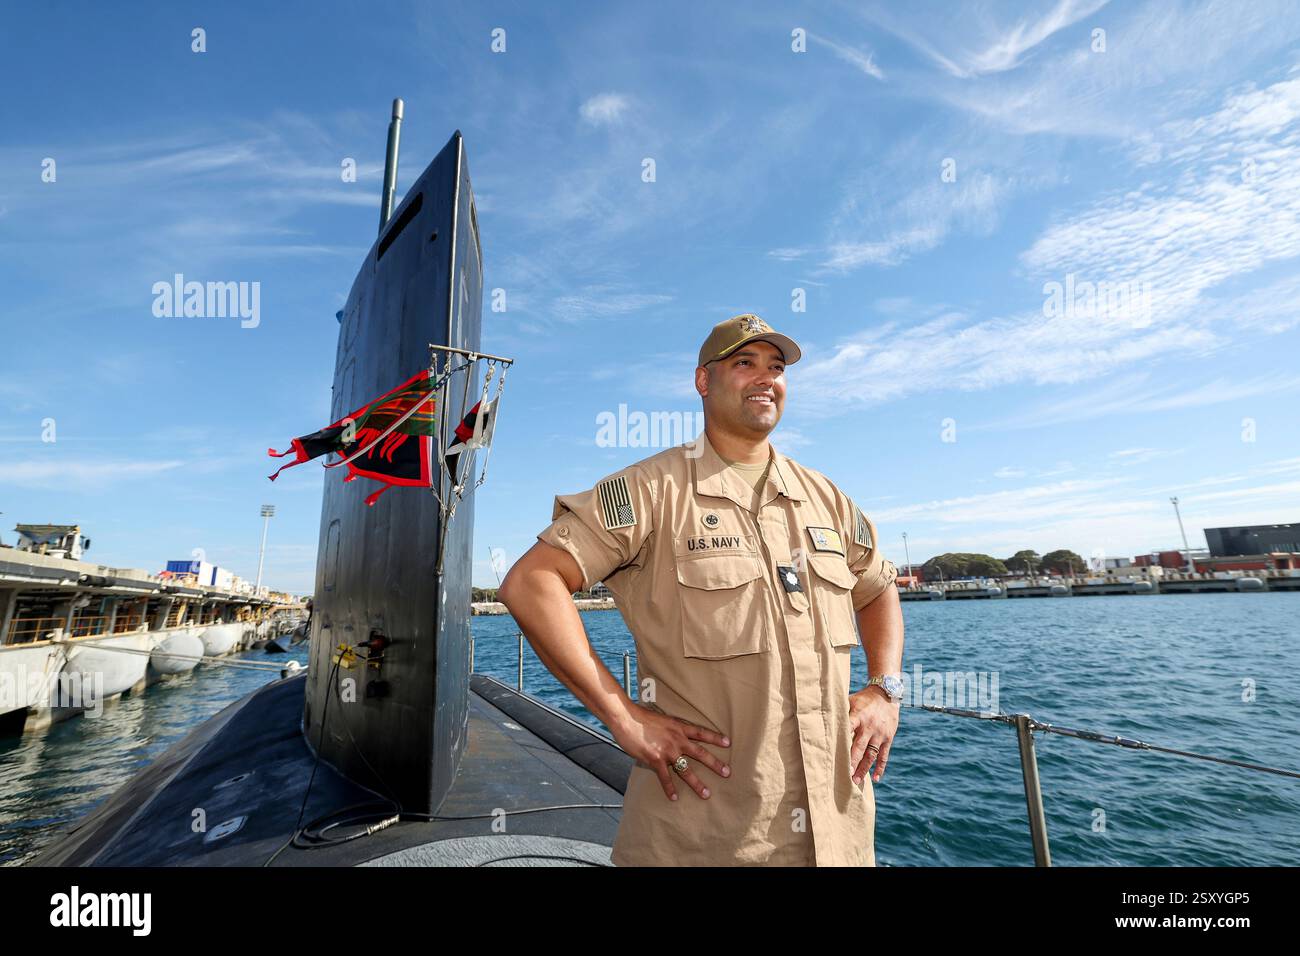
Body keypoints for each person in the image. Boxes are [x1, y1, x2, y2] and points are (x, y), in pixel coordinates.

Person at [497, 313, 905, 866]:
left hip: (839, 832)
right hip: (709, 834)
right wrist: (623, 716)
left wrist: (884, 690)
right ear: (703, 382)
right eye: (745, 362)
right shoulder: (650, 490)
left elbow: (878, 588)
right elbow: (531, 583)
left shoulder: (827, 498)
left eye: (776, 366)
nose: (765, 377)